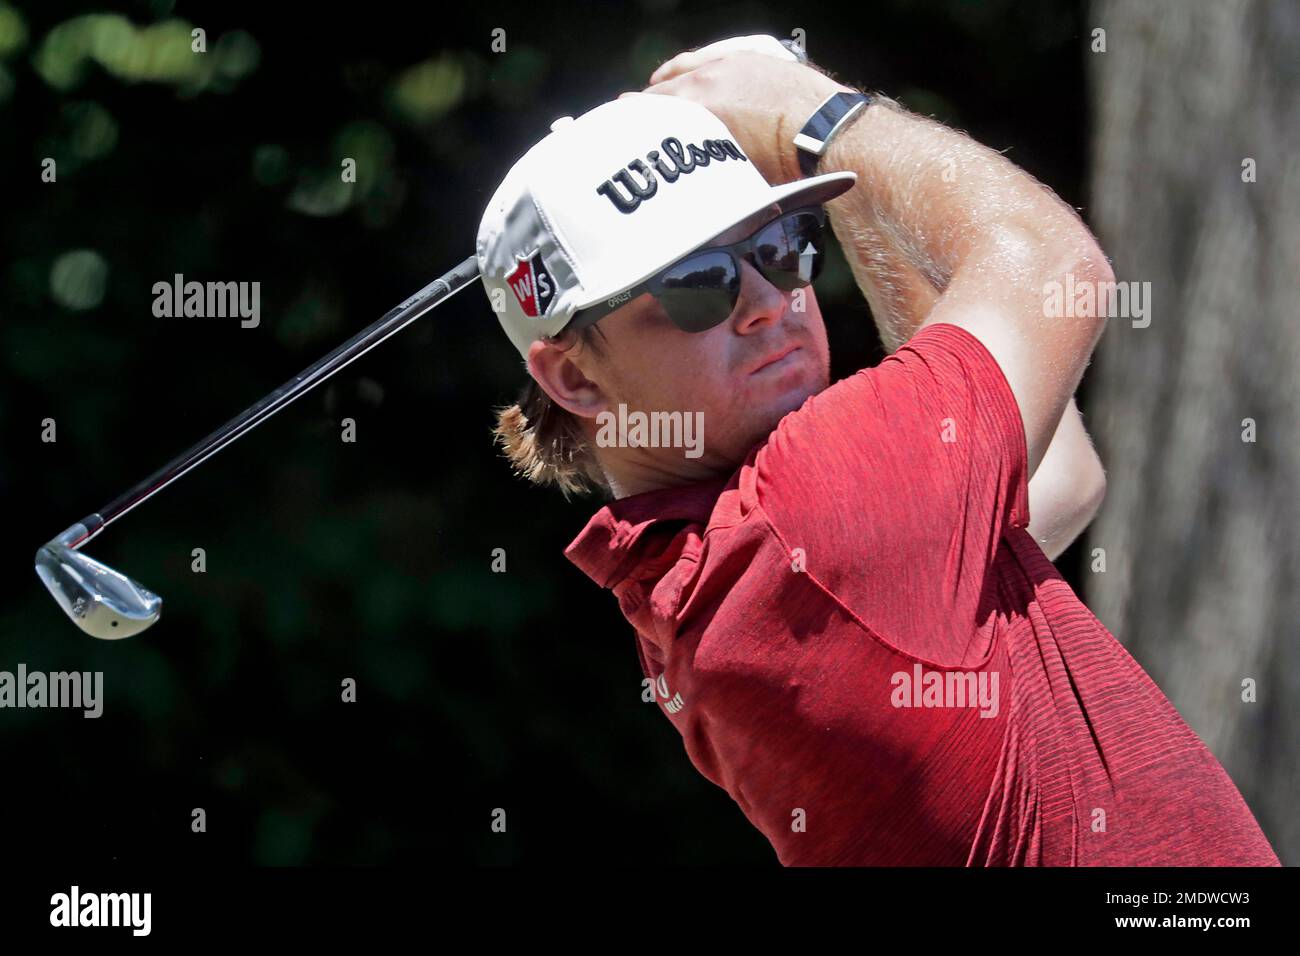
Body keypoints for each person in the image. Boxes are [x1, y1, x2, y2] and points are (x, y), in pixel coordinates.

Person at [474, 37, 1281, 866]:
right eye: (696, 283)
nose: (767, 302)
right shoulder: (805, 515)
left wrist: (827, 166)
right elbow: (1054, 266)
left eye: (778, 247)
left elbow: (1060, 480)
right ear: (574, 378)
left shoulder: (698, 571)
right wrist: (814, 113)